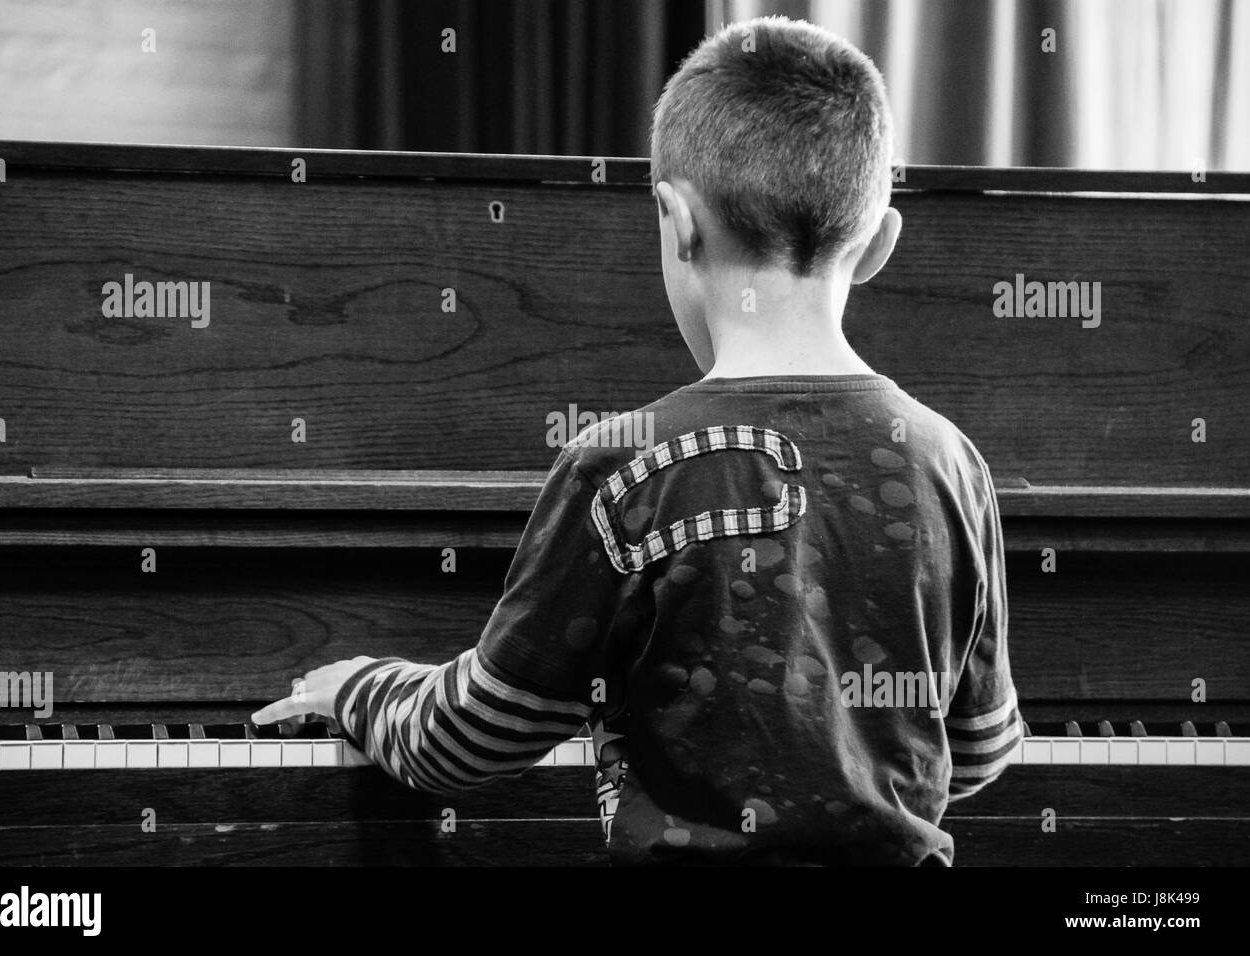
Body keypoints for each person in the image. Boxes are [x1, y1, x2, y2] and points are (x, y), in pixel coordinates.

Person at [254, 14, 1021, 865]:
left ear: (676, 220)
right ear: (879, 244)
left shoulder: (624, 464)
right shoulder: (952, 461)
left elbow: (470, 741)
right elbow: (979, 751)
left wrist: (359, 686)